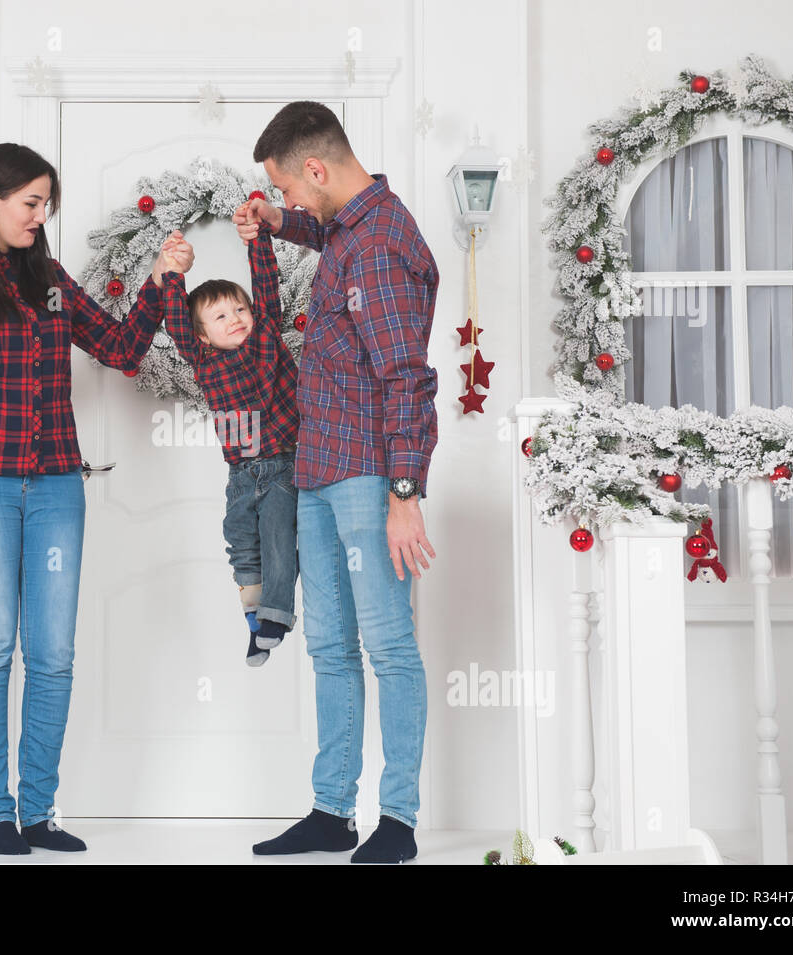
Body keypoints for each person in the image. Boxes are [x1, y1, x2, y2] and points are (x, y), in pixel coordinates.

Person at [0, 142, 191, 856]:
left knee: (53, 654)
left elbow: (121, 349)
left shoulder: (51, 280)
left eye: (46, 205)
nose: (40, 216)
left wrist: (158, 280)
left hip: (59, 485)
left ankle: (39, 812)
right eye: (30, 202)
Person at [241, 102, 439, 864]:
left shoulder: (384, 246)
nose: (290, 203)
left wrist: (404, 493)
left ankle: (398, 820)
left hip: (366, 475)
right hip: (318, 469)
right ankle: (331, 809)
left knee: (388, 644)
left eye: (288, 189)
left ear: (316, 170)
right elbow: (322, 228)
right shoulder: (352, 224)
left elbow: (405, 376)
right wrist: (276, 218)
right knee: (329, 646)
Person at [158, 226, 300, 666]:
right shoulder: (201, 360)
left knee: (278, 539)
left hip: (281, 465)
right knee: (239, 540)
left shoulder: (264, 343)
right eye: (220, 317)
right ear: (202, 336)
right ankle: (256, 622)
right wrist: (173, 274)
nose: (235, 318)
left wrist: (257, 242)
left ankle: (277, 617)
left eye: (240, 309)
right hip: (240, 474)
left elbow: (266, 290)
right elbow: (177, 323)